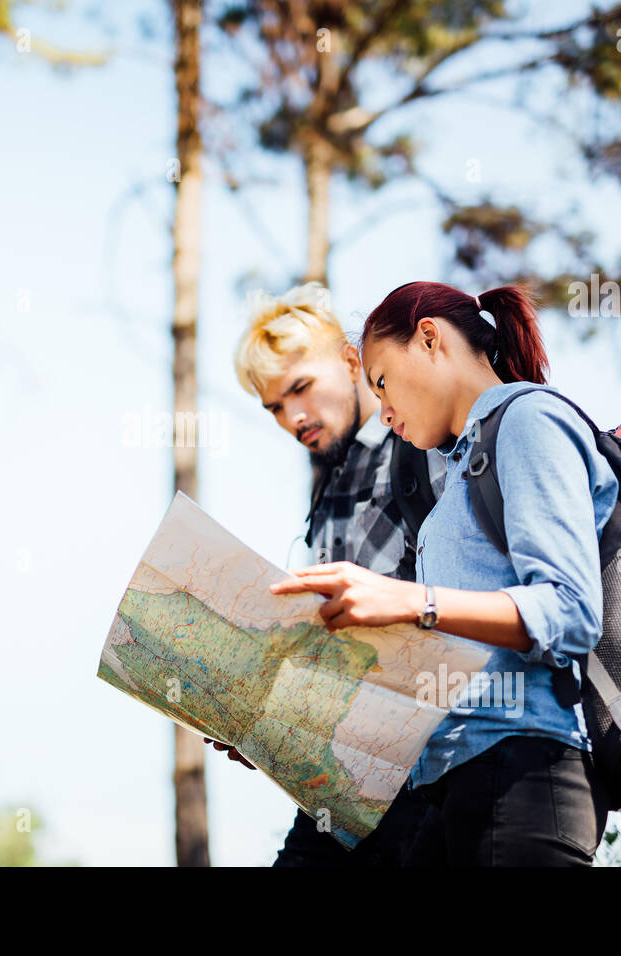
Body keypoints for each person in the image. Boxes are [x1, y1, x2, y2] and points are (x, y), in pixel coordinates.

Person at [270, 281, 618, 866]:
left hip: (522, 771)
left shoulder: (530, 418)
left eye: (381, 381)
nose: (381, 409)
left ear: (429, 338)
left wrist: (411, 600)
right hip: (453, 782)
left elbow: (572, 609)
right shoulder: (458, 472)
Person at [220, 282, 446, 866]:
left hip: (431, 779)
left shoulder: (423, 444)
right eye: (273, 406)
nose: (293, 417)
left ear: (351, 362)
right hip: (342, 781)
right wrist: (263, 719)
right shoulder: (331, 479)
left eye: (300, 388)